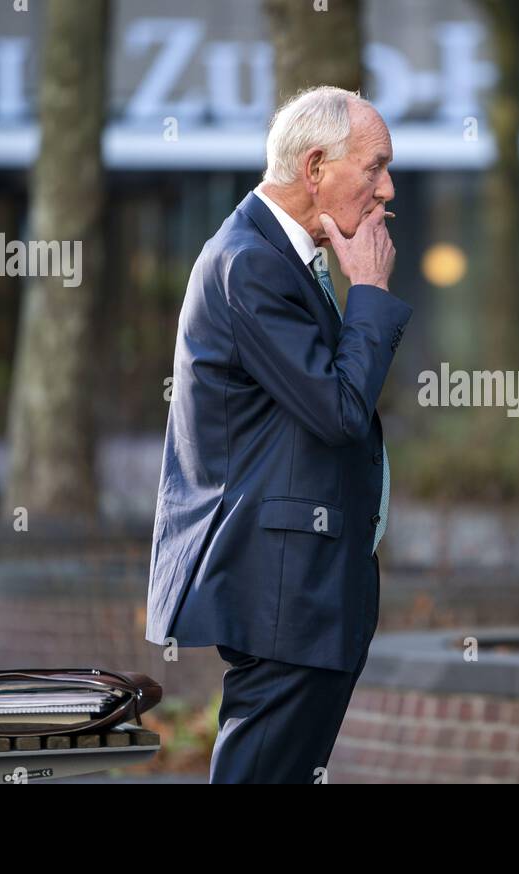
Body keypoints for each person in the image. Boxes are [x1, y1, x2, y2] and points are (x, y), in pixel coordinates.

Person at [144, 85, 411, 783]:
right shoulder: (252, 263)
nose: (387, 190)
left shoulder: (277, 255)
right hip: (283, 595)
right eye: (375, 167)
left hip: (306, 589)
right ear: (316, 167)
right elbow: (339, 410)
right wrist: (372, 294)